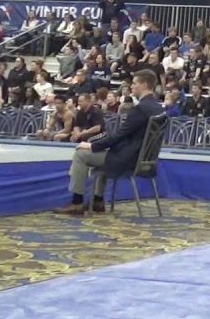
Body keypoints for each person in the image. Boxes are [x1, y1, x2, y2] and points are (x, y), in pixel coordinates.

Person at [54, 70, 163, 215]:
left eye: (135, 83)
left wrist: (92, 145)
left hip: (128, 159)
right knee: (106, 152)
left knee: (81, 154)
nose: (132, 87)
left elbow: (119, 135)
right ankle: (98, 200)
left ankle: (76, 202)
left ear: (143, 85)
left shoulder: (140, 109)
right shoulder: (158, 108)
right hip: (144, 158)